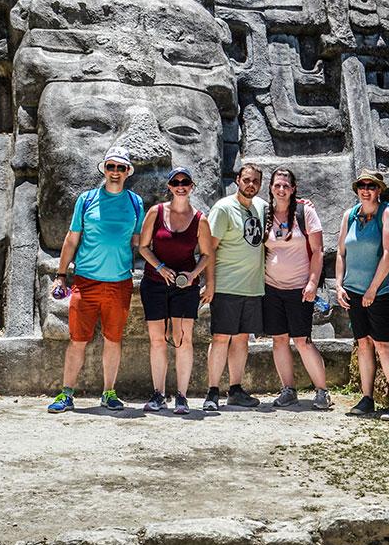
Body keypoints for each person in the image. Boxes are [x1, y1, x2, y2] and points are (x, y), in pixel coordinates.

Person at [47, 146, 145, 413]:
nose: (115, 172)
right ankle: (66, 394)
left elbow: (139, 242)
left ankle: (109, 392)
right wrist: (60, 275)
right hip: (85, 282)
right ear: (104, 170)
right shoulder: (87, 199)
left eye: (120, 168)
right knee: (77, 340)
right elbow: (72, 239)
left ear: (127, 172)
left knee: (113, 340)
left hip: (119, 283)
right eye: (111, 167)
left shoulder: (136, 203)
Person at [136, 166, 213, 414]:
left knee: (183, 340)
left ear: (191, 186)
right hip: (155, 283)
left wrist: (194, 275)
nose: (180, 186)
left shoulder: (200, 219)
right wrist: (159, 267)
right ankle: (158, 394)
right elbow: (143, 247)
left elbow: (207, 254)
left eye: (185, 182)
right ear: (169, 186)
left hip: (185, 286)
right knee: (157, 340)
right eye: (176, 182)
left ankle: (182, 396)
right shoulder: (155, 213)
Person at [335, 169, 389, 421]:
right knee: (363, 343)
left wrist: (373, 289)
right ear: (357, 189)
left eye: (372, 186)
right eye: (362, 185)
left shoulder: (387, 213)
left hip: (381, 290)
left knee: (382, 343)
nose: (366, 190)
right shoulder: (350, 216)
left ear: (379, 190)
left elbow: (388, 254)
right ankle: (367, 398)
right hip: (354, 290)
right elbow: (341, 252)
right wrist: (339, 284)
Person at [263, 168, 331, 410]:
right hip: (271, 288)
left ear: (293, 189)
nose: (281, 189)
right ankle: (288, 389)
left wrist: (313, 282)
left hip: (300, 288)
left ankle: (322, 391)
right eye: (277, 185)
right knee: (279, 340)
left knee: (302, 340)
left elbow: (318, 251)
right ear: (270, 188)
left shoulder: (305, 212)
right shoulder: (265, 214)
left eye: (286, 186)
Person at [202, 163, 268, 410]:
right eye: (247, 180)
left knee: (242, 339)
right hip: (226, 286)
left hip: (252, 288)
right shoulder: (223, 208)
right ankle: (212, 391)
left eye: (255, 182)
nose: (251, 185)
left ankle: (236, 389)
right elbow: (210, 249)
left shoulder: (262, 207)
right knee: (221, 338)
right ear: (238, 180)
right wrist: (209, 284)